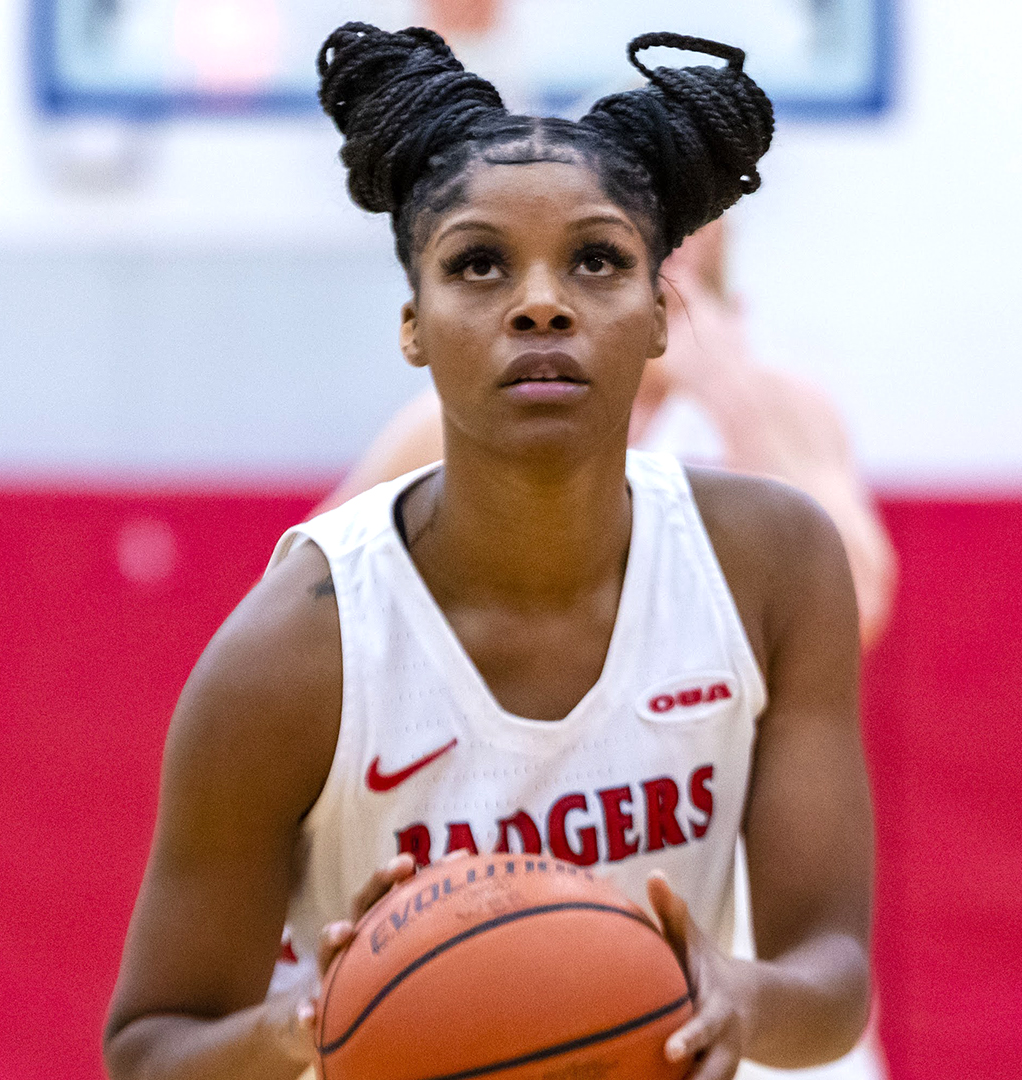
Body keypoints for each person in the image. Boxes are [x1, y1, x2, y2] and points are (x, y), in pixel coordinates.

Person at [105, 23, 873, 1080]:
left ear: (662, 313)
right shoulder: (297, 649)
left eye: (597, 259)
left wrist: (737, 994)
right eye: (479, 264)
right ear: (412, 323)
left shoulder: (774, 563)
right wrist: (310, 1022)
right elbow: (149, 1050)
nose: (542, 300)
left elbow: (832, 979)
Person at [317, 215, 898, 646]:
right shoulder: (472, 413)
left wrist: (726, 388)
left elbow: (857, 608)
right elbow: (314, 581)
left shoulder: (781, 404)